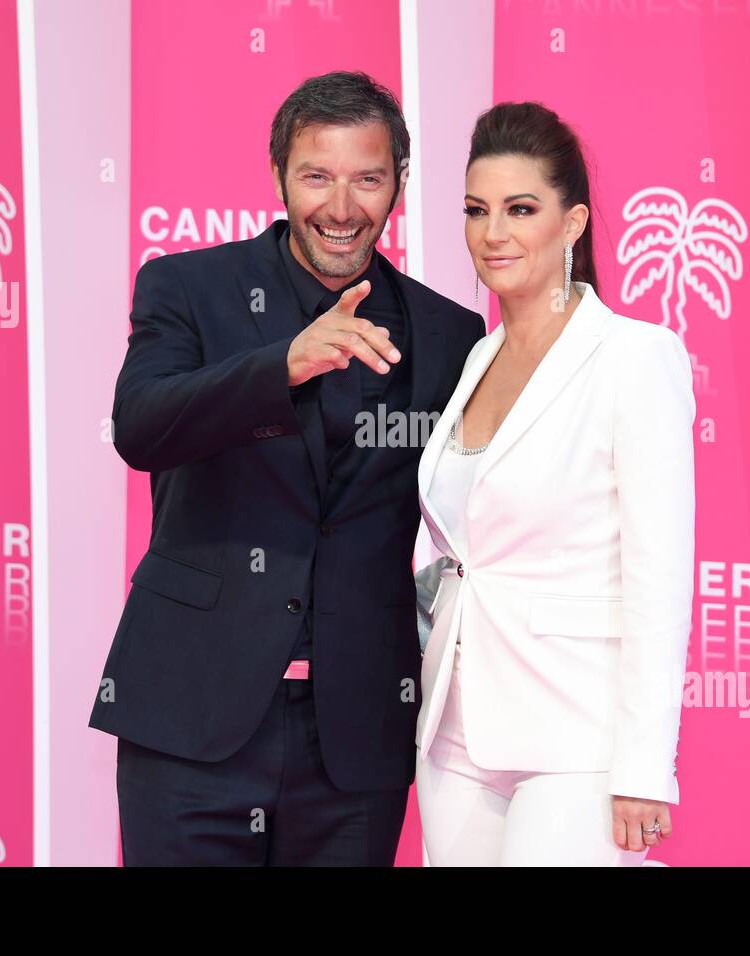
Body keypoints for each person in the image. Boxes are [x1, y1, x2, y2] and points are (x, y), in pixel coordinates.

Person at [89, 71, 485, 865]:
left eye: (368, 178)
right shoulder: (189, 288)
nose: (341, 208)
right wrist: (285, 365)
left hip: (355, 742)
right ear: (278, 176)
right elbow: (140, 425)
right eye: (317, 176)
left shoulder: (450, 334)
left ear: (399, 185)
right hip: (191, 724)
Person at [413, 102, 697, 866]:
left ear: (571, 225)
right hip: (455, 733)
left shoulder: (635, 357)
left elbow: (659, 575)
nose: (492, 232)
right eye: (476, 210)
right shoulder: (477, 360)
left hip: (579, 736)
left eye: (520, 209)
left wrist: (645, 765)